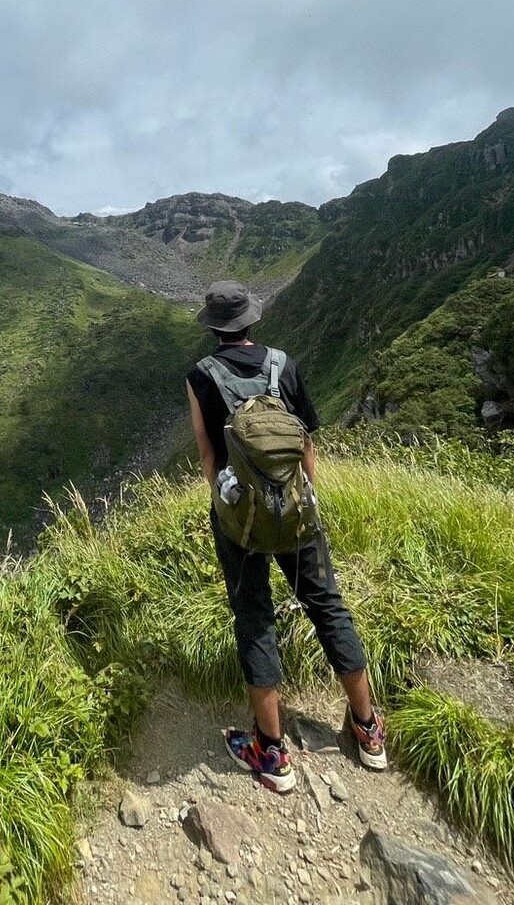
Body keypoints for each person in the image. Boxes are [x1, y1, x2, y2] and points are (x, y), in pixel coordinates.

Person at [186, 280, 386, 793]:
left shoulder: (201, 377)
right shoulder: (285, 366)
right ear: (251, 320)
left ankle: (272, 753)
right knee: (327, 606)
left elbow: (209, 456)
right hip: (299, 516)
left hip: (241, 523)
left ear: (212, 326)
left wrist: (225, 504)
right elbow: (306, 446)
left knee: (254, 617)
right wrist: (308, 504)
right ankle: (368, 732)